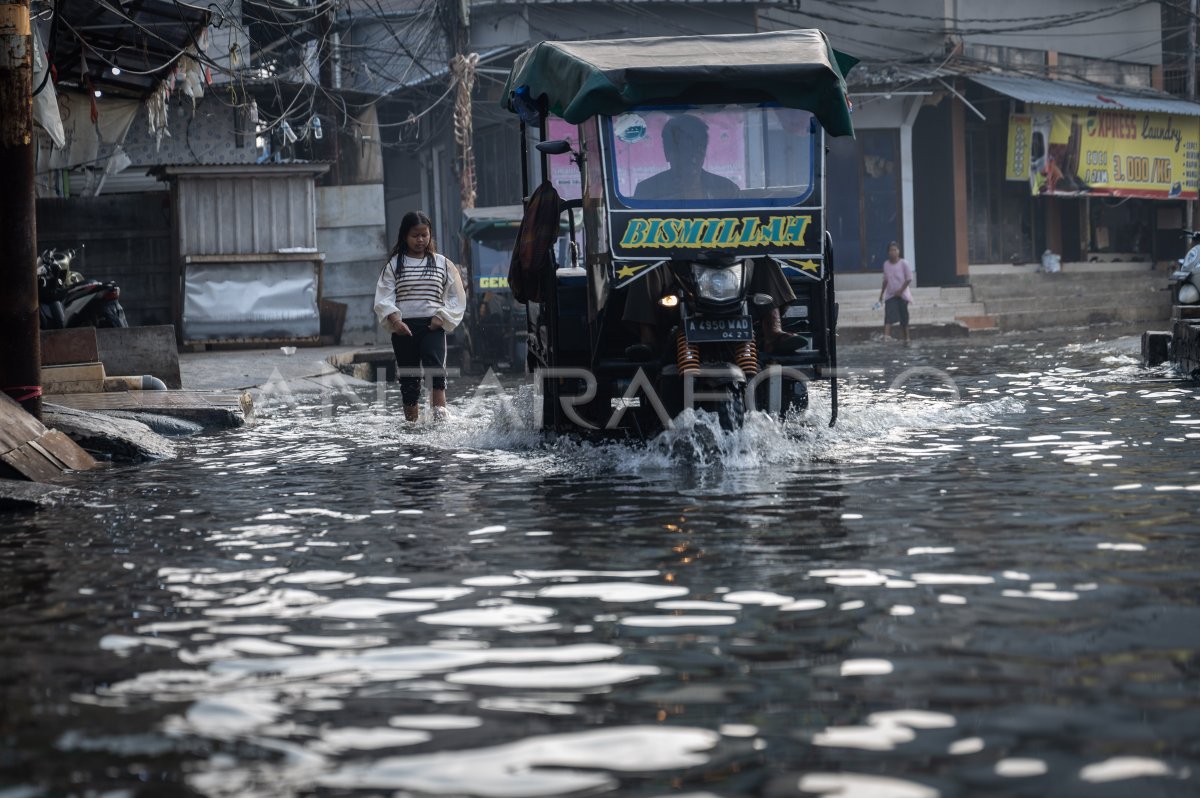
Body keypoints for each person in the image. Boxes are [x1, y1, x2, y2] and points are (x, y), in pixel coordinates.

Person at [624, 114, 802, 356]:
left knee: (761, 253)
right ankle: (648, 339)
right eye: (684, 148)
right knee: (643, 263)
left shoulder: (726, 188)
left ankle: (773, 331)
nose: (692, 156)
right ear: (668, 152)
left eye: (698, 147)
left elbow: (743, 232)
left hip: (725, 264)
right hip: (673, 266)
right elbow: (638, 237)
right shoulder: (648, 190)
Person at [374, 210, 466, 423]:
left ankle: (440, 425)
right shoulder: (395, 265)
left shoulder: (443, 263)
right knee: (409, 380)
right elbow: (384, 297)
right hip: (403, 328)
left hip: (433, 327)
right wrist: (396, 321)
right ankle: (411, 426)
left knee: (436, 376)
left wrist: (441, 317)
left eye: (424, 235)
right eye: (415, 235)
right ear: (405, 236)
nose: (420, 240)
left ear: (430, 235)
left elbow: (457, 296)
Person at [877, 241, 914, 344]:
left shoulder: (904, 263)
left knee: (904, 317)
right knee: (888, 317)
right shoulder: (886, 264)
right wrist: (881, 294)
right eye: (891, 250)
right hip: (890, 295)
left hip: (902, 295)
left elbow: (909, 278)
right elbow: (885, 280)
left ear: (899, 251)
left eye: (895, 250)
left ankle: (907, 338)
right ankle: (886, 338)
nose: (893, 252)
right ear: (888, 252)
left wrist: (901, 290)